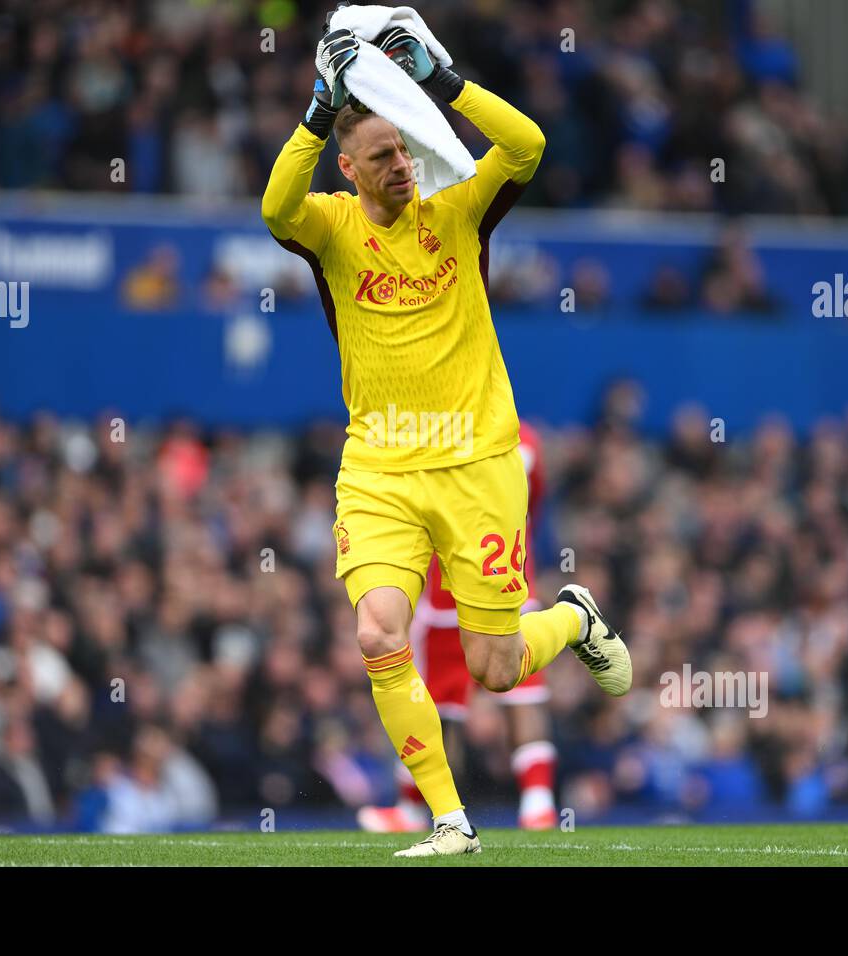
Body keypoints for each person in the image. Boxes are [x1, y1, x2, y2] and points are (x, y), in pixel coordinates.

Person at [261, 20, 631, 857]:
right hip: (380, 468)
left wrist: (445, 82)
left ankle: (570, 621)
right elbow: (274, 206)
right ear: (348, 168)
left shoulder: (459, 212)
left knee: (497, 667)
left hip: (477, 463)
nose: (400, 163)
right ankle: (449, 818)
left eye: (404, 147)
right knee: (378, 632)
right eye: (382, 155)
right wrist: (319, 113)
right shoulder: (328, 229)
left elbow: (528, 145)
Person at [358, 422, 560, 833]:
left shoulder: (470, 436)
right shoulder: (507, 439)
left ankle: (532, 800)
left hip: (479, 583)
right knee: (451, 699)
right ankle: (426, 804)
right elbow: (529, 506)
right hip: (473, 583)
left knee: (498, 693)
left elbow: (526, 509)